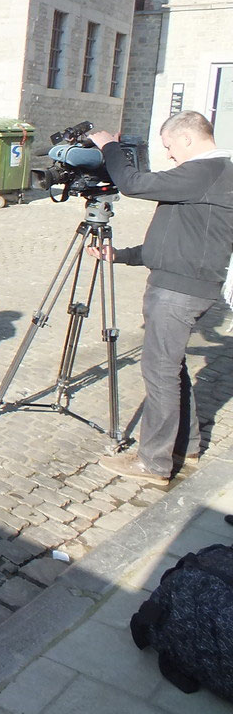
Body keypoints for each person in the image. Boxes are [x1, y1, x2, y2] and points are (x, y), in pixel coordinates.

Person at [87, 111, 233, 485]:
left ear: (186, 139)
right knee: (172, 368)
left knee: (160, 372)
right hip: (181, 283)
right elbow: (173, 240)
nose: (169, 156)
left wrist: (109, 146)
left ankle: (153, 463)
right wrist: (122, 255)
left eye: (169, 146)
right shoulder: (206, 178)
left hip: (179, 291)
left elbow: (133, 184)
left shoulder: (207, 170)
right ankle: (187, 446)